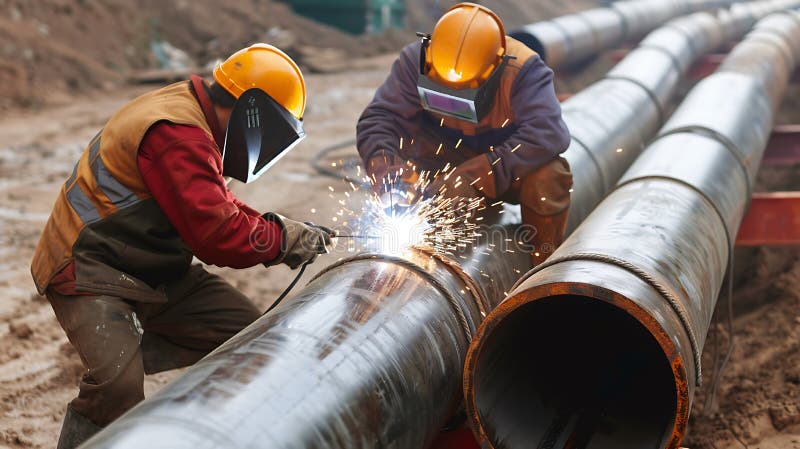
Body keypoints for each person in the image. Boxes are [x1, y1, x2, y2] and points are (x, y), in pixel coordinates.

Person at [30, 44, 333, 449]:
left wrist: (279, 228)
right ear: (250, 113)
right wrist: (281, 239)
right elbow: (218, 235)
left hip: (149, 265)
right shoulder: (177, 133)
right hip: (90, 268)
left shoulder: (196, 118)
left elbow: (215, 204)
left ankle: (152, 369)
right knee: (116, 388)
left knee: (247, 336)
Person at [357, 2, 572, 265]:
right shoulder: (416, 60)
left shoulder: (524, 70)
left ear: (496, 66)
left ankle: (542, 266)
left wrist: (474, 177)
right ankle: (421, 269)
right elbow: (380, 119)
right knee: (409, 200)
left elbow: (547, 134)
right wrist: (391, 176)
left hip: (502, 165)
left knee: (548, 176)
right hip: (437, 164)